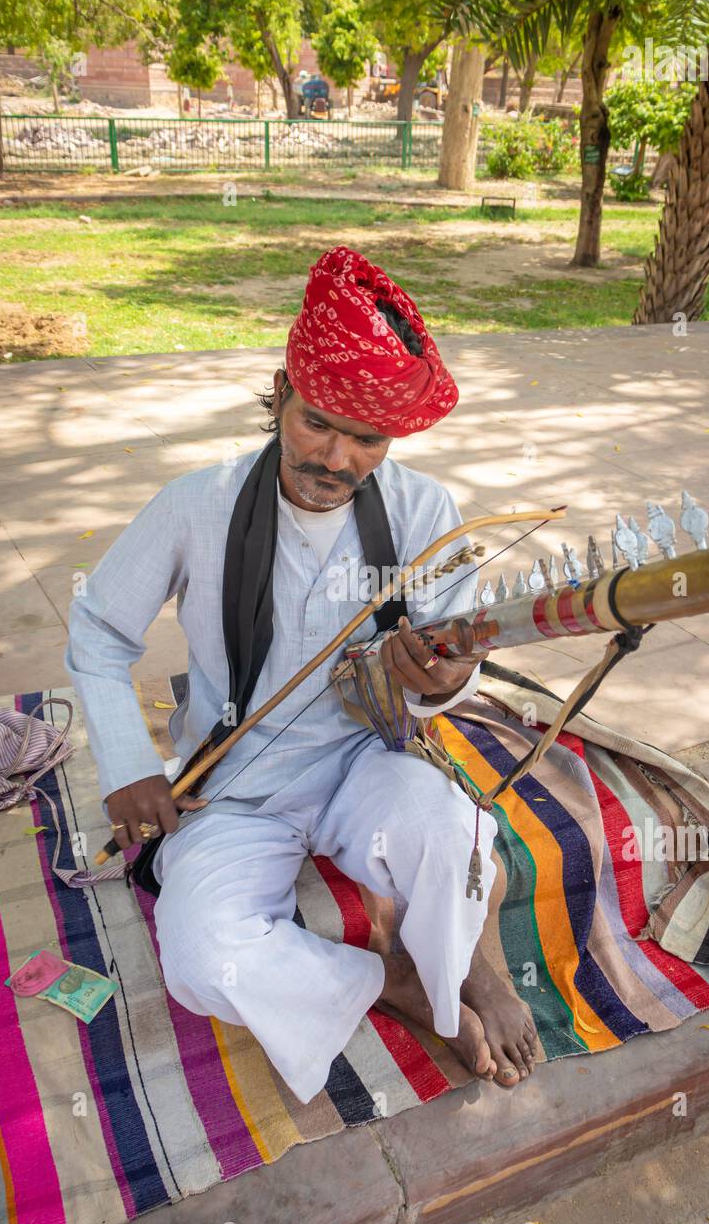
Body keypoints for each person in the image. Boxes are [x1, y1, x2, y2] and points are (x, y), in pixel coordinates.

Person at [65, 247, 537, 1104]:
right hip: (233, 787)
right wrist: (130, 764)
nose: (336, 457)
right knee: (204, 957)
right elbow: (98, 629)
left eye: (366, 439)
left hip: (365, 763)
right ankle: (386, 982)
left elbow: (456, 668)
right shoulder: (195, 504)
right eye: (318, 422)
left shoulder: (424, 512)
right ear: (281, 391)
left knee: (454, 828)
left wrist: (440, 680)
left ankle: (481, 974)